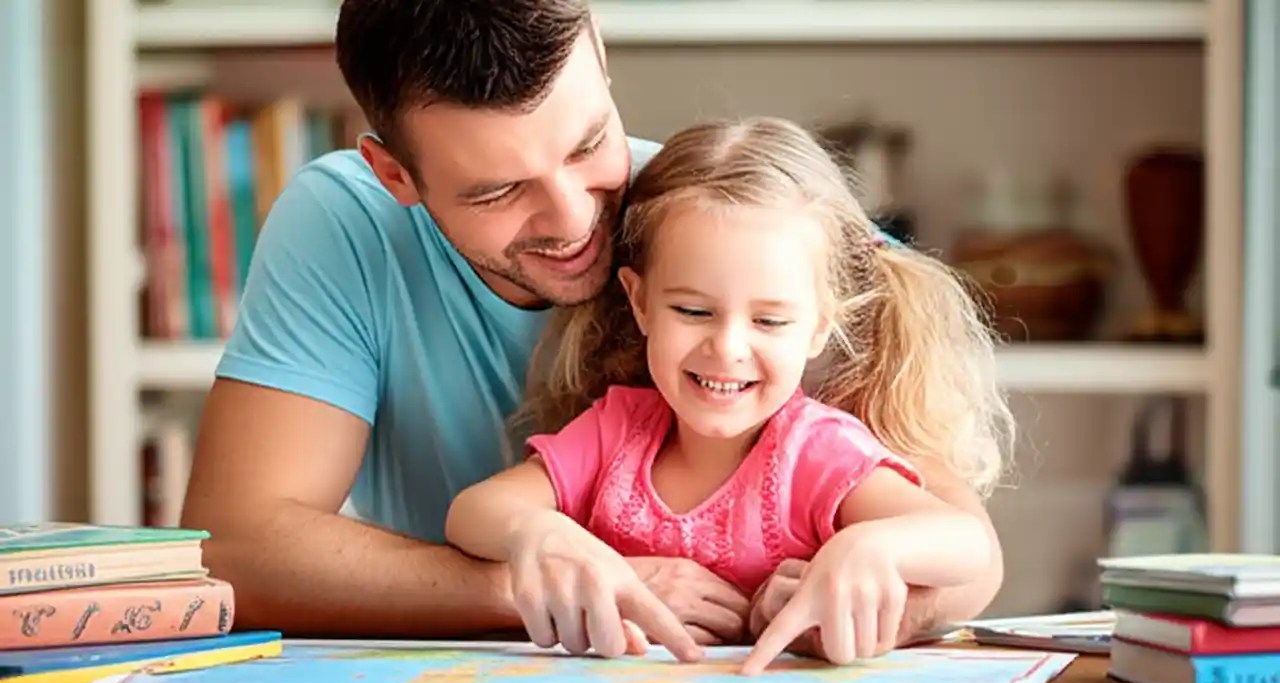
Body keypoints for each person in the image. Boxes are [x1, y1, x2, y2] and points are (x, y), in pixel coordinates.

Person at [181, 0, 1007, 647]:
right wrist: (548, 588)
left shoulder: (739, 231)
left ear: (601, 57)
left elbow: (961, 559)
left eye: (587, 146)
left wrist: (859, 601)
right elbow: (239, 552)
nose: (573, 218)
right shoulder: (346, 225)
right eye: (498, 191)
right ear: (396, 173)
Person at [445, 117, 1007, 673]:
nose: (728, 347)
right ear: (639, 303)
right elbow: (474, 512)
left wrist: (868, 550)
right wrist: (539, 533)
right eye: (692, 311)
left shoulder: (815, 452)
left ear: (819, 327)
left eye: (769, 320)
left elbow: (967, 544)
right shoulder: (617, 428)